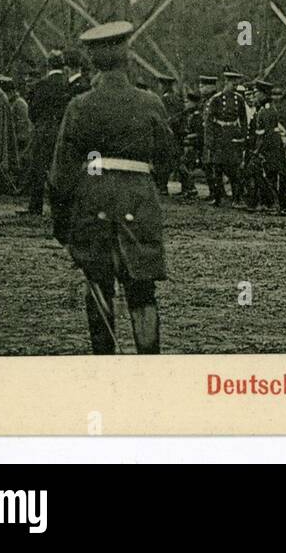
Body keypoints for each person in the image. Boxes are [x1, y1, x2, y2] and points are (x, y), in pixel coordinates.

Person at [48, 21, 174, 355]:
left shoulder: (79, 106)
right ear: (127, 59)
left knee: (99, 284)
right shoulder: (151, 103)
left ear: (91, 63)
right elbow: (169, 157)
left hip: (94, 198)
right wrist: (147, 186)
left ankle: (105, 362)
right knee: (143, 290)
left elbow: (62, 174)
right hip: (139, 198)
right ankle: (150, 363)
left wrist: (62, 222)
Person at [24, 50, 70, 214]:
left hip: (44, 131)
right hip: (62, 131)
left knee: (39, 168)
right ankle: (59, 209)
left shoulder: (42, 85)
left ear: (48, 64)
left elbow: (33, 112)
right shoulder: (68, 85)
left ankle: (35, 207)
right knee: (59, 170)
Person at [204, 70, 248, 207]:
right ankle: (217, 198)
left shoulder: (239, 99)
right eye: (232, 83)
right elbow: (209, 121)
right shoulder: (216, 99)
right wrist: (209, 140)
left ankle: (237, 199)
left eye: (236, 84)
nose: (234, 86)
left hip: (233, 137)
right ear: (226, 82)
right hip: (219, 136)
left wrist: (243, 135)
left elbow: (243, 119)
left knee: (234, 169)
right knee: (217, 168)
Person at [248, 80, 286, 215]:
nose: (254, 96)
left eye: (256, 93)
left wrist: (257, 151)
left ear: (263, 94)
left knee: (265, 173)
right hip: (274, 146)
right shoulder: (269, 108)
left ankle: (273, 204)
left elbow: (263, 135)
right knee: (271, 175)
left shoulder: (265, 111)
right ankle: (272, 203)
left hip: (270, 147)